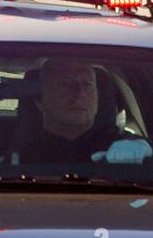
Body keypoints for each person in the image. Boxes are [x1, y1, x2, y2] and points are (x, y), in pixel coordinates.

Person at [8, 59, 152, 165]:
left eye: (87, 85)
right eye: (65, 85)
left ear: (97, 98)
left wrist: (146, 151)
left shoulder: (125, 147)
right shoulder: (13, 152)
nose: (79, 93)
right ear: (39, 100)